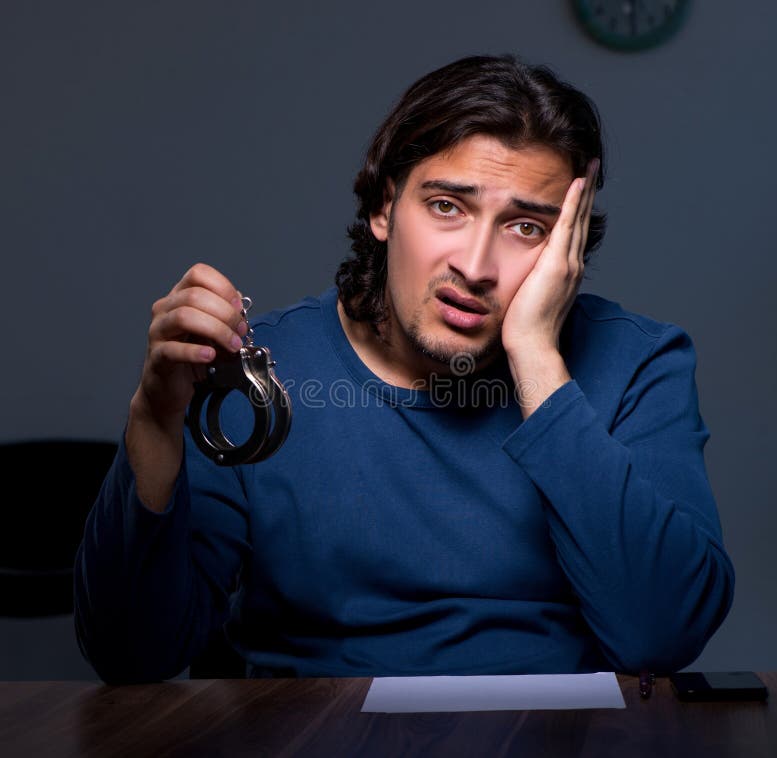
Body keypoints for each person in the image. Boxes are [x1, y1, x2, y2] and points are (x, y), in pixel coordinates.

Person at [74, 54, 734, 683]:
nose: (475, 267)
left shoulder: (638, 362)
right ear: (384, 208)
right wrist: (155, 420)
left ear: (569, 251)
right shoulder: (261, 374)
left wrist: (537, 358)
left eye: (526, 228)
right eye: (448, 206)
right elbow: (134, 656)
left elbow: (662, 634)